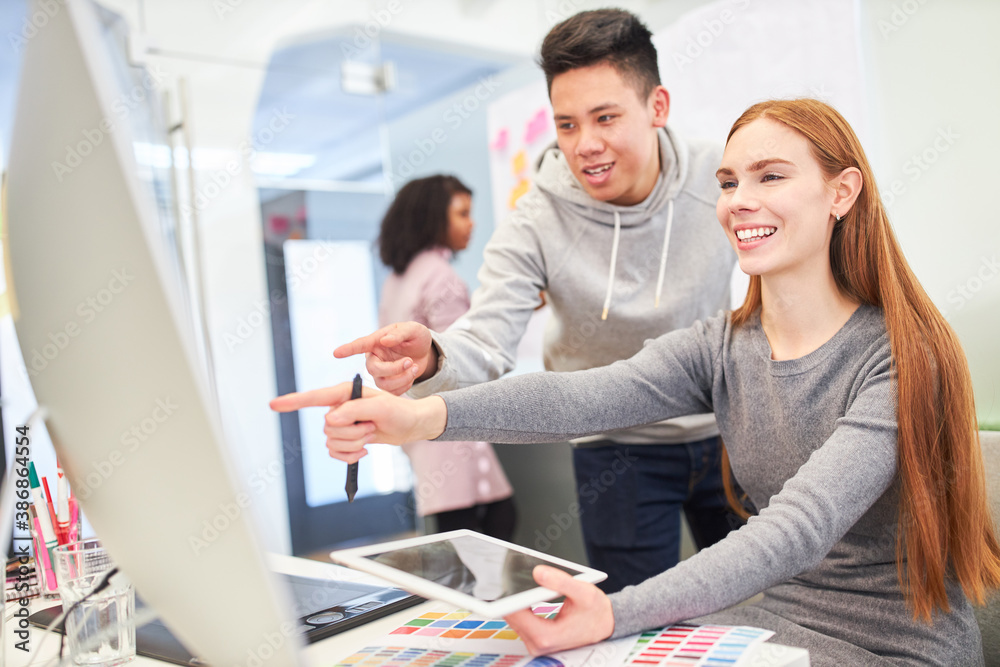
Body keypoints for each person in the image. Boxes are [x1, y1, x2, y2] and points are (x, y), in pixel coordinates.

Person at [273, 98, 1000, 665]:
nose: (738, 200)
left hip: (887, 644)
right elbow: (581, 396)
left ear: (842, 192)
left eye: (770, 176)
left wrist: (620, 609)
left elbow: (795, 531)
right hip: (766, 614)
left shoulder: (901, 356)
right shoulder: (722, 345)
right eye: (728, 181)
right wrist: (414, 417)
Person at [333, 9, 739, 593]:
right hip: (614, 447)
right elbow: (485, 338)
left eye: (605, 117)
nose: (586, 146)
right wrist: (432, 357)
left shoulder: (719, 177)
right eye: (567, 124)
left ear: (658, 107)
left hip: (724, 431)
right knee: (627, 615)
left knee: (754, 606)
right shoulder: (537, 218)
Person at [376, 174, 515, 540]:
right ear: (434, 218)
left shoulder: (397, 279)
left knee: (458, 537)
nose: (472, 223)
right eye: (462, 213)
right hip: (448, 423)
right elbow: (464, 363)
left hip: (416, 425)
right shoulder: (441, 278)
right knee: (489, 528)